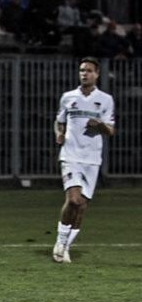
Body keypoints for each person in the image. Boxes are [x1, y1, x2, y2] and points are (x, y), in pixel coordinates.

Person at [52, 57, 114, 263]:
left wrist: (99, 124)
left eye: (88, 70)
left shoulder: (105, 100)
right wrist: (58, 133)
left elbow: (110, 130)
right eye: (81, 70)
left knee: (82, 207)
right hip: (70, 155)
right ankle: (60, 242)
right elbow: (59, 122)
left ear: (96, 74)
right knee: (73, 200)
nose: (84, 74)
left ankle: (66, 247)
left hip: (92, 158)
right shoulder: (68, 97)